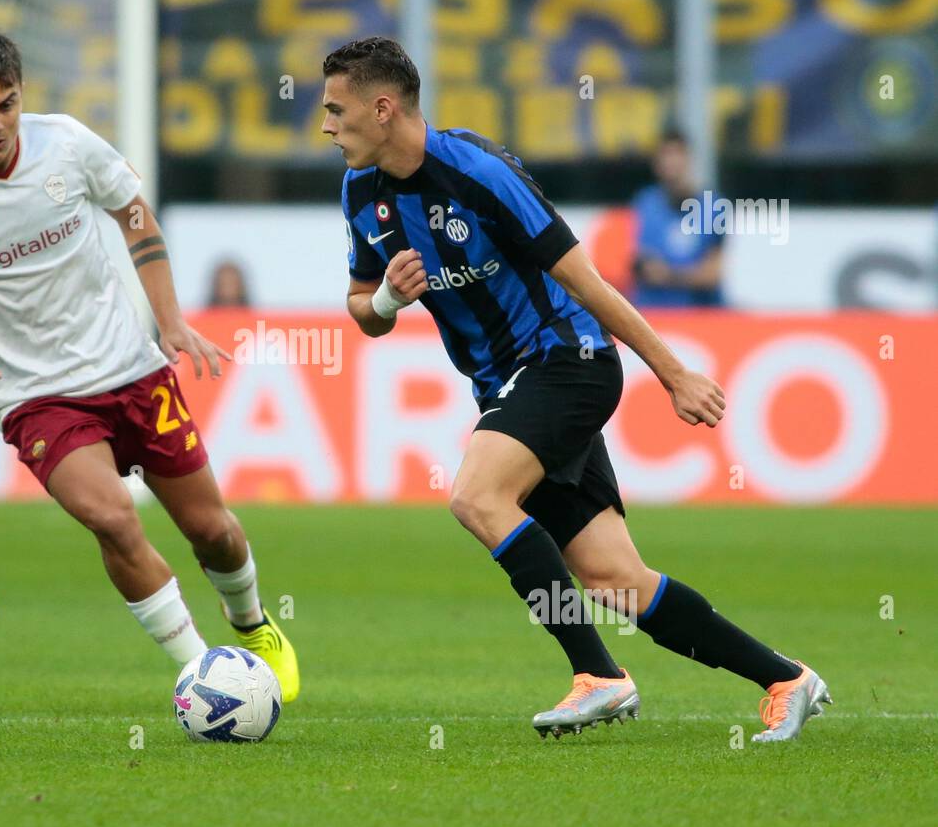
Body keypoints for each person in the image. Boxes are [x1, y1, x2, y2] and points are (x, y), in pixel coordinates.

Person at [323, 36, 828, 742]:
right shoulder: (360, 190)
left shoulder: (480, 174)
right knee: (613, 577)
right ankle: (786, 678)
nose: (325, 125)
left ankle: (600, 677)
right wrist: (384, 307)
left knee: (476, 495)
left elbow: (584, 281)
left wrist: (672, 371)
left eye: (335, 109)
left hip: (570, 358)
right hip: (505, 384)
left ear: (382, 108)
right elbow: (359, 302)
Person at [0, 30, 299, 699]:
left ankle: (254, 625)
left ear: (21, 97)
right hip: (37, 396)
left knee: (211, 529)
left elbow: (133, 214)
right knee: (112, 517)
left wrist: (171, 320)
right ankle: (203, 674)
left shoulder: (65, 141)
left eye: (6, 105)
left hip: (130, 367)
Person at [630, 130, 724, 308]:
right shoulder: (646, 203)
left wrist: (669, 275)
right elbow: (641, 262)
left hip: (699, 314)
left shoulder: (713, 206)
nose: (671, 162)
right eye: (665, 155)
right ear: (656, 163)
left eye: (677, 154)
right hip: (654, 311)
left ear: (689, 159)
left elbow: (713, 274)